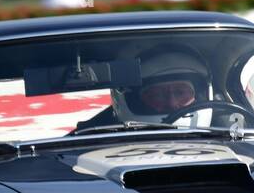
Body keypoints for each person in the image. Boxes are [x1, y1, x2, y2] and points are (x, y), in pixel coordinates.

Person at [74, 43, 215, 132]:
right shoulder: (92, 137)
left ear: (200, 94)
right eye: (158, 95)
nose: (172, 103)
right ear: (132, 99)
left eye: (180, 92)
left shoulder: (226, 129)